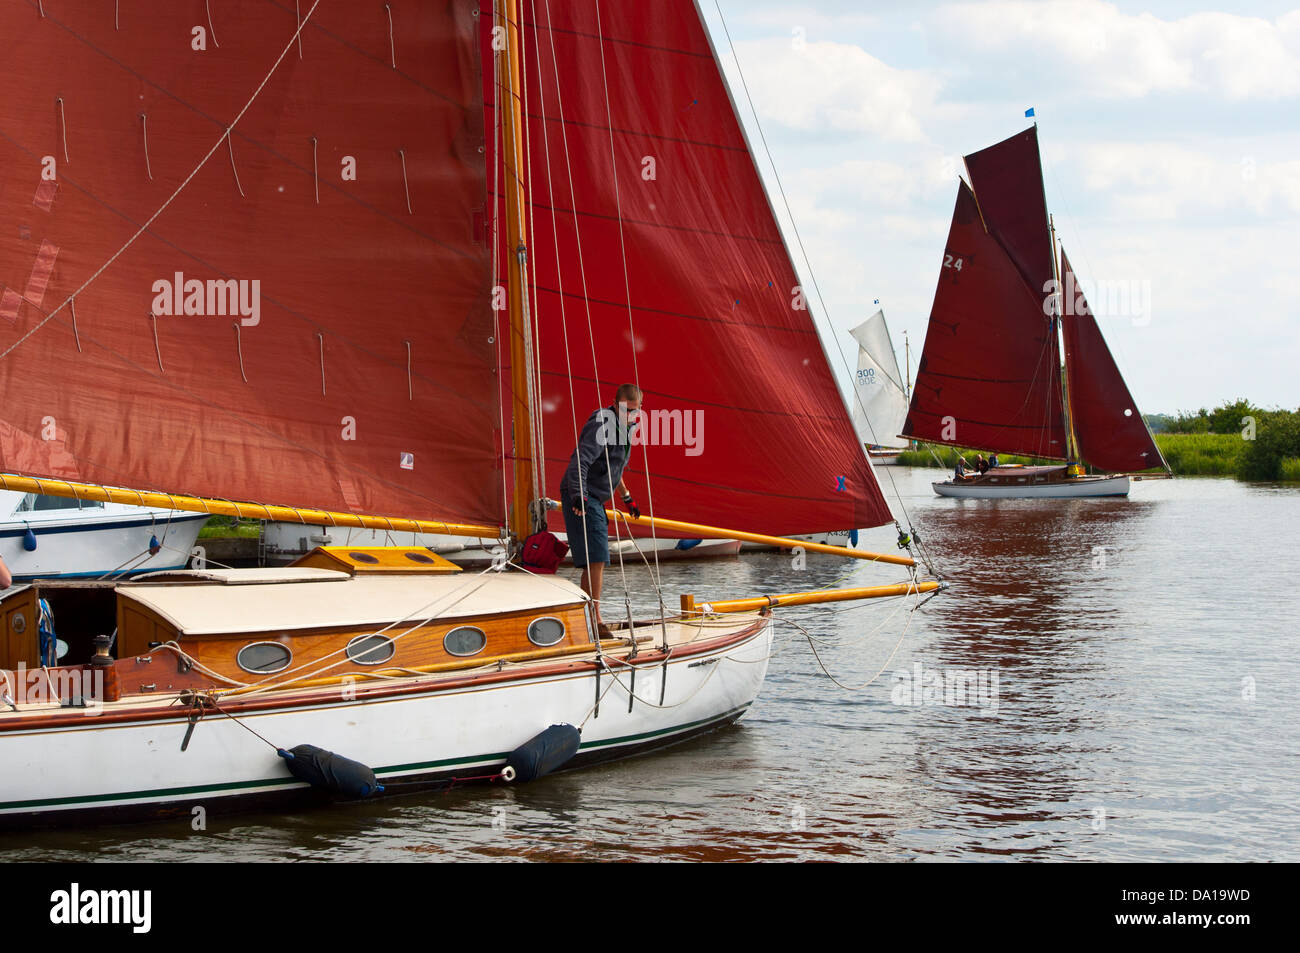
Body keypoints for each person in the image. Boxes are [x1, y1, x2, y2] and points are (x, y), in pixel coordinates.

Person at [560, 383, 642, 635]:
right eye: (626, 410)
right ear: (615, 404)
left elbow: (614, 467)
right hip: (583, 493)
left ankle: (588, 617)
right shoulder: (601, 424)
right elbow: (580, 461)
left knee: (594, 560)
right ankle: (595, 621)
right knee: (597, 557)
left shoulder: (627, 427)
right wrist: (579, 496)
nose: (630, 416)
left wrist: (626, 498)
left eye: (635, 411)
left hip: (596, 496)